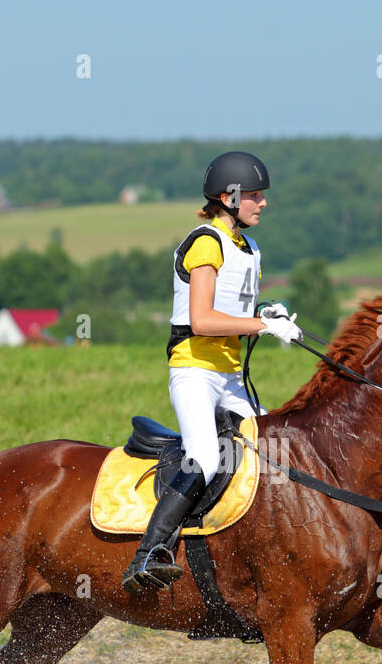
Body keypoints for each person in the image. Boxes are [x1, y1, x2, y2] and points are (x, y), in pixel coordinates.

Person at [121, 151, 302, 593]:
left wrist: (262, 311)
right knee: (204, 457)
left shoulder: (248, 247)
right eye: (256, 196)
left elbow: (231, 309)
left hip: (230, 375)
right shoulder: (206, 242)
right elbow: (201, 320)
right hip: (195, 371)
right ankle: (148, 553)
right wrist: (263, 325)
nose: (263, 204)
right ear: (229, 197)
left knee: (273, 454)